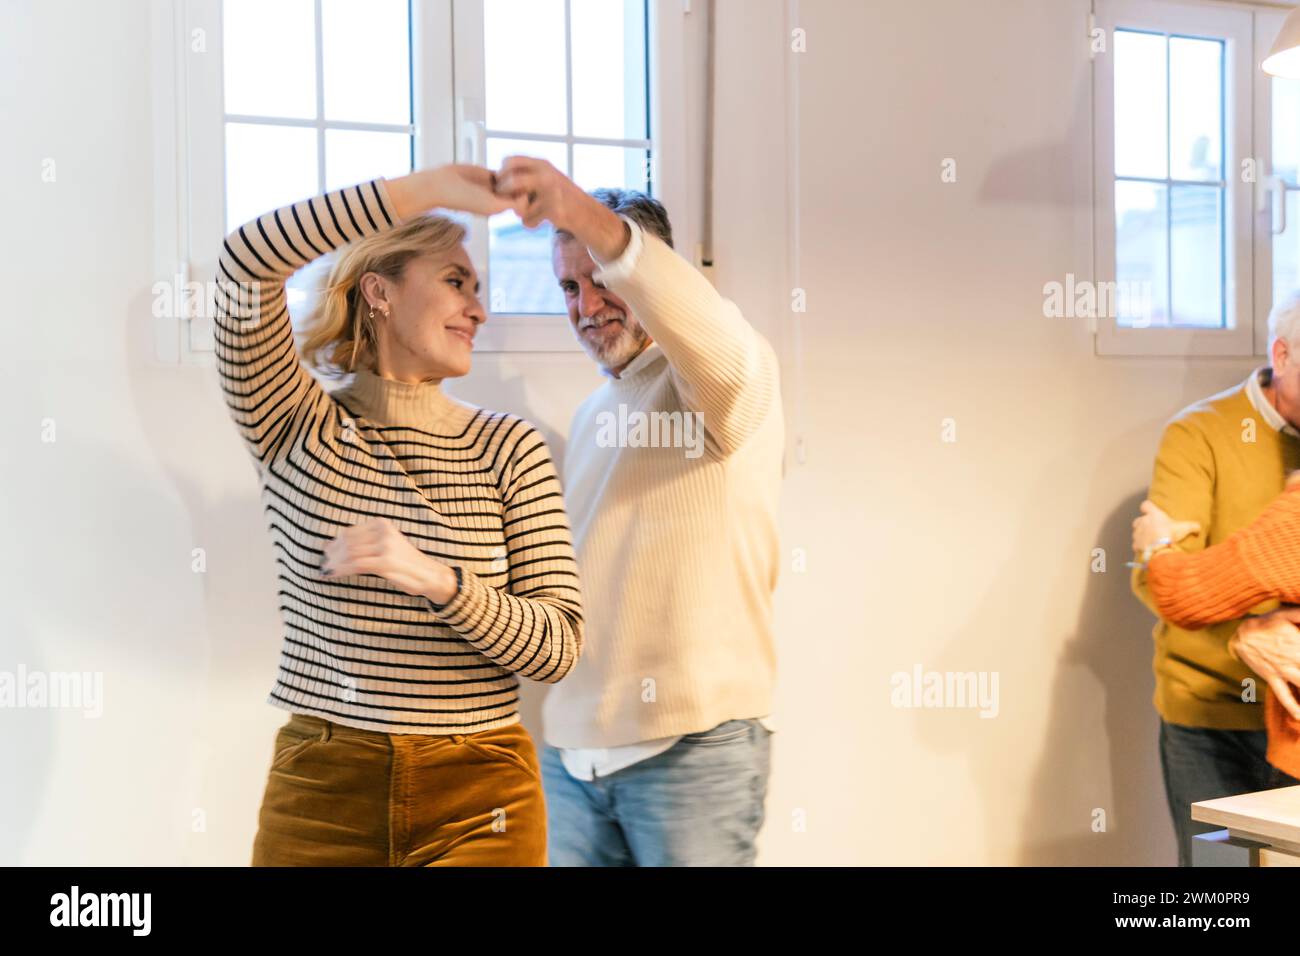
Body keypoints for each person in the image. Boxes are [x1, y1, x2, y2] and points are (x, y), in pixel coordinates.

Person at [212, 164, 583, 866]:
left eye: (478, 290)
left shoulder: (508, 447)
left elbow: (558, 647)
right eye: (454, 281)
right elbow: (242, 265)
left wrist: (435, 578)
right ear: (378, 291)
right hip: (324, 788)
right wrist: (427, 189)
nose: (478, 309)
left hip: (482, 792)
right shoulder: (292, 421)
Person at [490, 156, 783, 866]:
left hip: (691, 751)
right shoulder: (595, 414)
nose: (586, 307)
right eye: (568, 286)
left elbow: (697, 325)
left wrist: (574, 207)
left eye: (602, 280)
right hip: (574, 760)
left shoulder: (726, 379)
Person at [1129, 292, 1300, 865]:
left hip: (1294, 725)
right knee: (1217, 895)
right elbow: (1161, 584)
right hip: (1211, 719)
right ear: (1283, 354)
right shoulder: (1200, 434)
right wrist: (1248, 631)